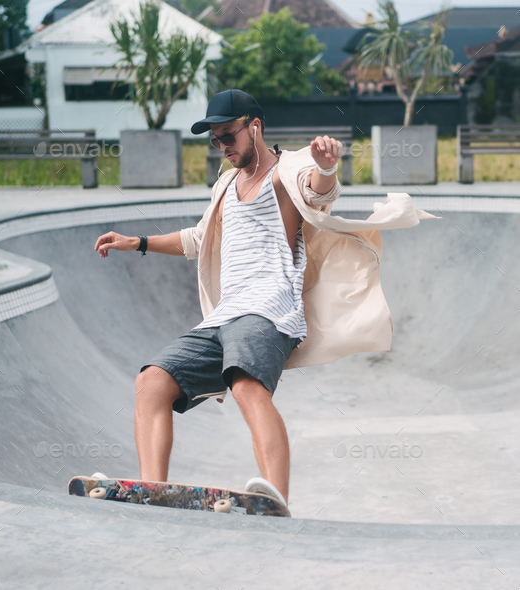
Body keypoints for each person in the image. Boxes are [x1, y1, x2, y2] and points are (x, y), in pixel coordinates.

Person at [94, 89, 439, 510]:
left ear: (253, 127)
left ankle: (276, 497)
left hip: (269, 309)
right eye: (215, 140)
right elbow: (200, 239)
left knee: (245, 384)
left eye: (228, 136)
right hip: (224, 317)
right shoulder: (224, 184)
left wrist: (327, 167)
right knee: (151, 383)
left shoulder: (285, 172)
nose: (223, 147)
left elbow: (318, 194)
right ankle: (151, 490)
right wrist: (139, 241)